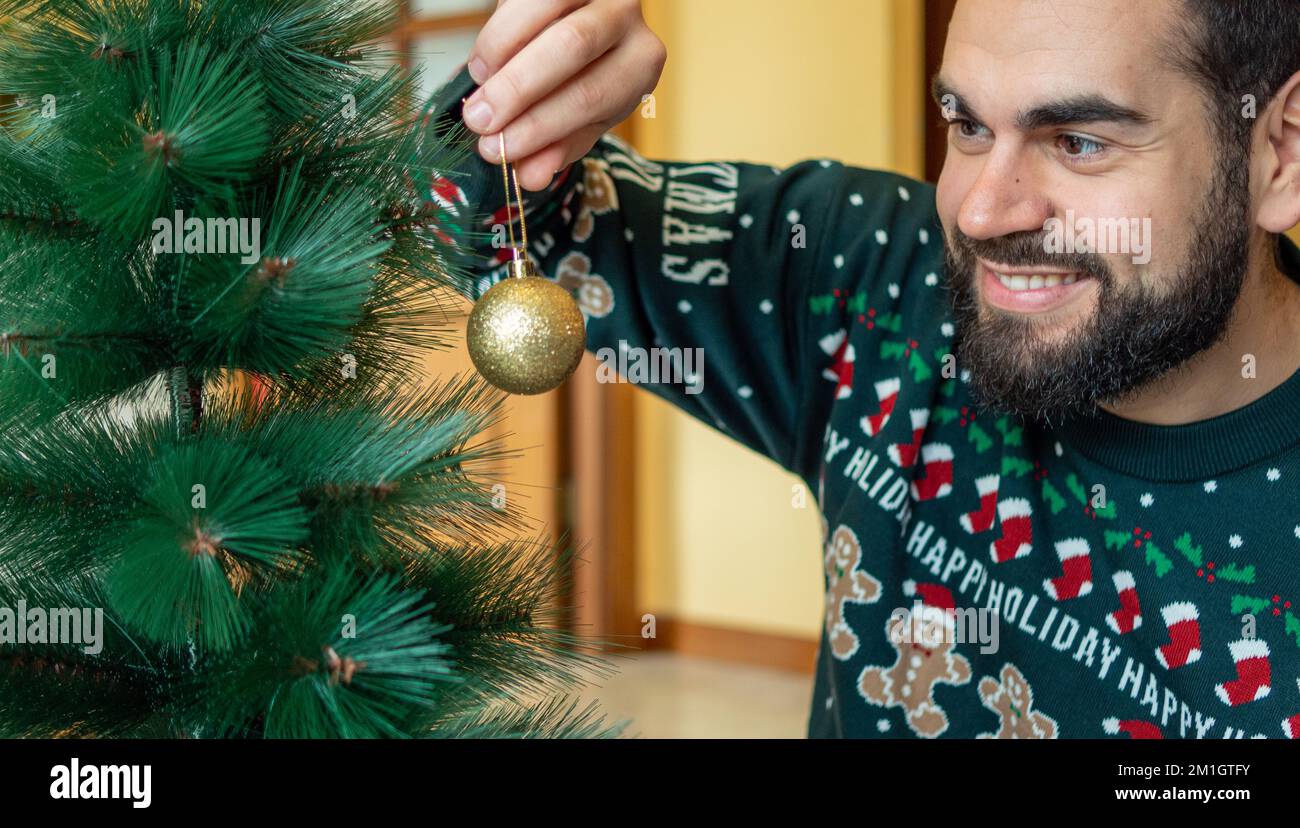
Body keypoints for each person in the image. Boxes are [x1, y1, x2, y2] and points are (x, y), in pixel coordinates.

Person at [426, 0, 1300, 739]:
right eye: (966, 125)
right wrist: (524, 80)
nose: (983, 212)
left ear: (1281, 154)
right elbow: (493, 231)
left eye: (1077, 141)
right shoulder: (878, 282)